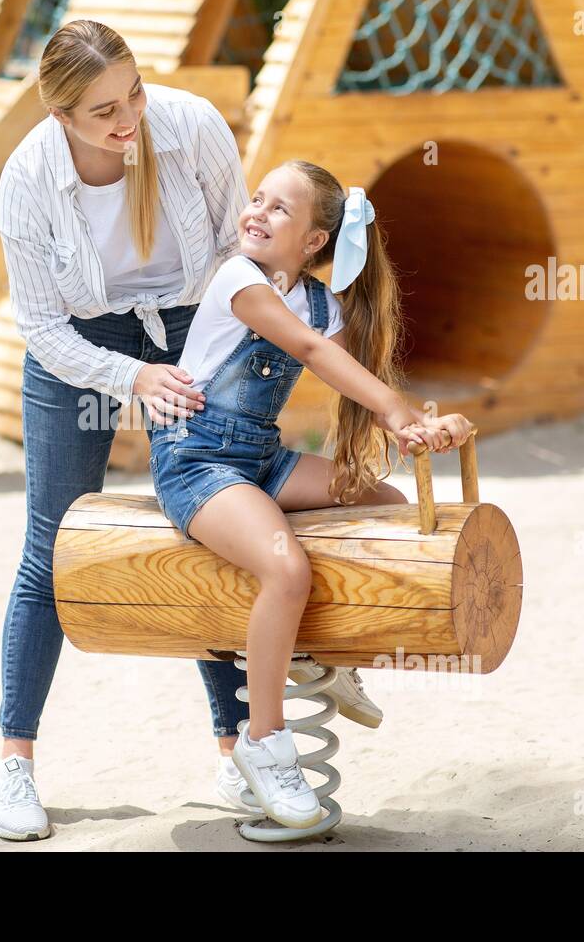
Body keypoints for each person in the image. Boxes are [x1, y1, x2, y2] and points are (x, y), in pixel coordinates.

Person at [0, 19, 388, 842]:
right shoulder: (27, 177)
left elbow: (230, 256)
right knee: (48, 543)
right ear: (59, 114)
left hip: (186, 319)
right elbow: (41, 326)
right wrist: (131, 377)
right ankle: (15, 760)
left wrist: (196, 357)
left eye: (132, 93)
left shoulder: (189, 125)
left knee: (215, 521)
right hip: (82, 346)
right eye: (102, 110)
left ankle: (235, 748)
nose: (127, 118)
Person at [146, 159, 473, 828]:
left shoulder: (321, 304)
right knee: (285, 566)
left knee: (380, 501)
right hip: (197, 460)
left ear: (315, 242)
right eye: (257, 199)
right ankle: (262, 742)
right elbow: (311, 352)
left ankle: (334, 653)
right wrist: (395, 408)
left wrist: (424, 427)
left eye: (277, 209)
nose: (256, 213)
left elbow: (354, 371)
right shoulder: (241, 278)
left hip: (259, 457)